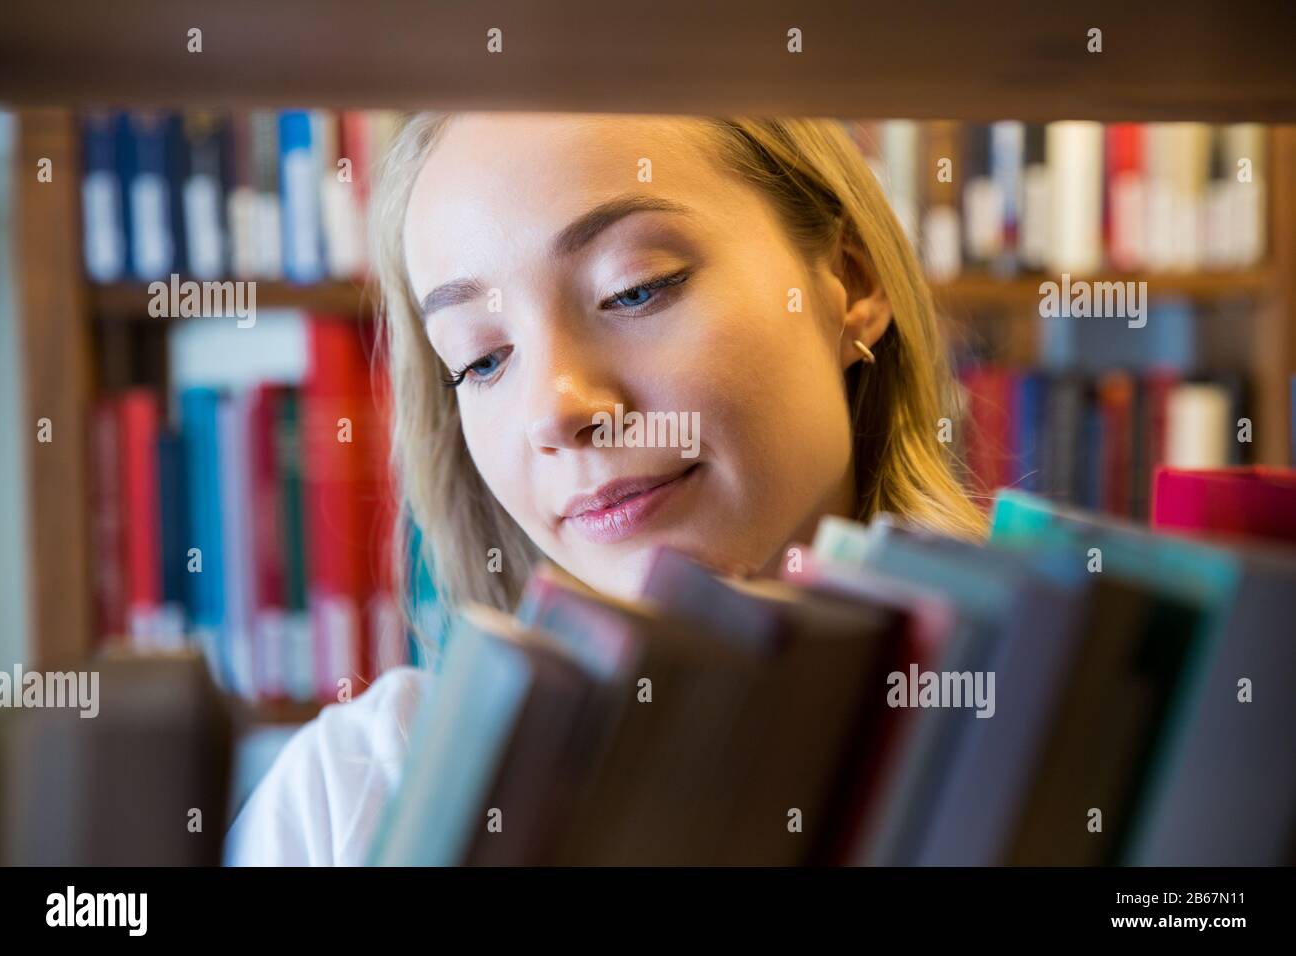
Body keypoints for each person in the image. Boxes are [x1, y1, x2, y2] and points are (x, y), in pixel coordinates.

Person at [225, 112, 985, 865]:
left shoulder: (1055, 726)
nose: (556, 410)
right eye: (482, 359)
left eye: (635, 290)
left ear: (849, 279)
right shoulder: (350, 799)